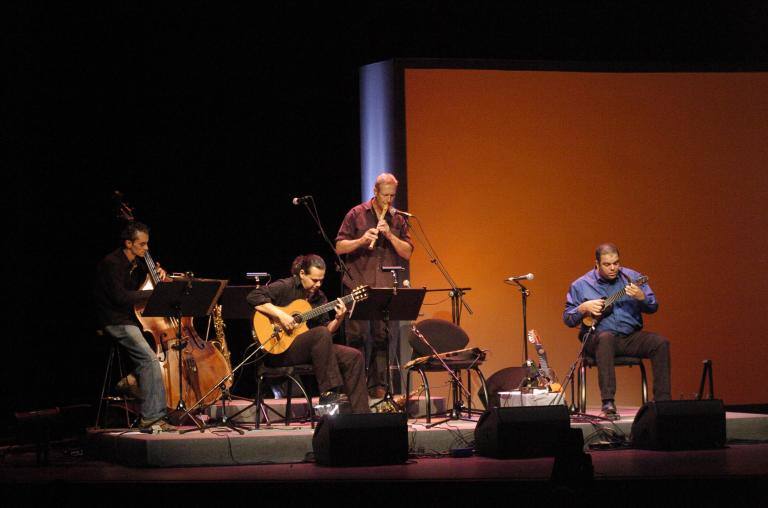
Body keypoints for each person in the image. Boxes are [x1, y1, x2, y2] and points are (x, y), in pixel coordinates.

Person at [246, 254, 370, 413]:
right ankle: (328, 392)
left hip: (309, 351)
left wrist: (338, 319)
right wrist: (281, 315)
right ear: (302, 274)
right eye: (314, 280)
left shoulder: (320, 298)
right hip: (278, 350)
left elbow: (327, 332)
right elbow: (253, 296)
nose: (318, 284)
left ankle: (363, 415)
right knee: (320, 333)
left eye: (321, 280)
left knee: (353, 356)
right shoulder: (286, 286)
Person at [563, 243, 670, 418]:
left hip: (629, 338)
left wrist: (641, 297)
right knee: (606, 338)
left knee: (660, 343)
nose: (613, 268)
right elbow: (568, 319)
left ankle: (663, 403)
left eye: (616, 263)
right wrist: (583, 307)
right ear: (596, 264)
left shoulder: (633, 277)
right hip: (596, 339)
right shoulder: (581, 285)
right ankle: (608, 403)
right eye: (607, 264)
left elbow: (653, 306)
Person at [335, 172, 414, 398]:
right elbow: (339, 247)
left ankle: (379, 389)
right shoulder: (356, 214)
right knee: (356, 338)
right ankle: (356, 388)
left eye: (392, 196)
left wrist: (389, 235)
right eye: (385, 195)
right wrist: (361, 240)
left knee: (383, 337)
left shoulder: (397, 219)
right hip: (358, 285)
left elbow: (407, 252)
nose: (389, 200)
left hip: (385, 286)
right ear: (375, 192)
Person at [94, 221, 175, 431]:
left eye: (147, 244)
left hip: (133, 321)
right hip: (114, 320)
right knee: (149, 360)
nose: (146, 249)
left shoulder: (137, 264)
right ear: (128, 243)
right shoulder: (112, 263)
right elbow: (120, 298)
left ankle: (132, 380)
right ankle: (152, 418)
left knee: (151, 358)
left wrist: (157, 274)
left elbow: (141, 286)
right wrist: (153, 294)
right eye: (142, 244)